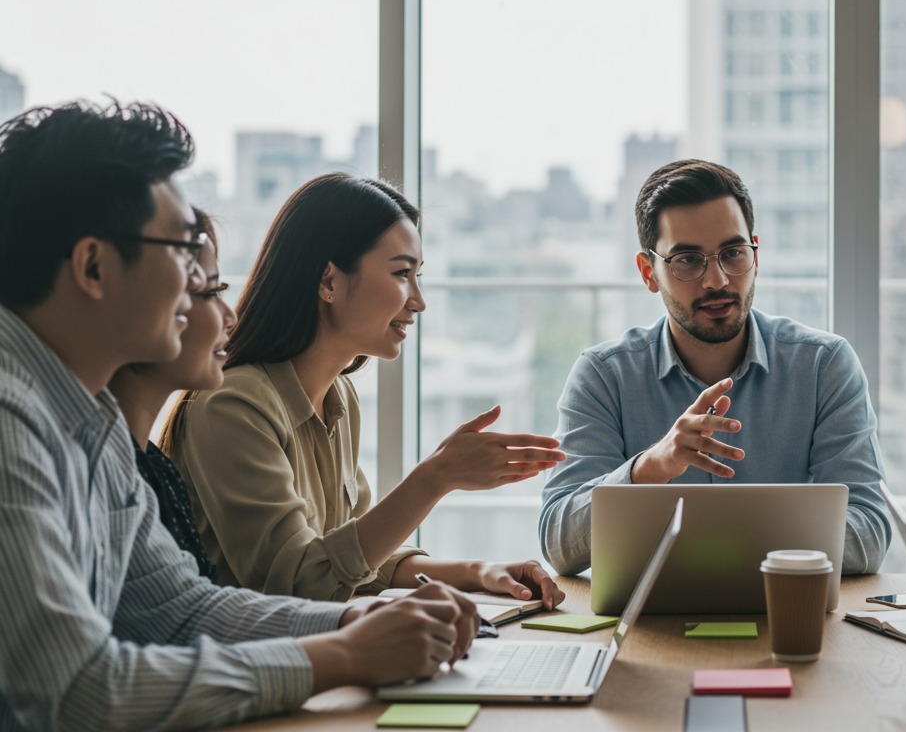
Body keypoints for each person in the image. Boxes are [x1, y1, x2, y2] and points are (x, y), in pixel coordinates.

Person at [0, 100, 482, 731]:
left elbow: (178, 609)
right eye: (181, 253)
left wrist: (348, 621)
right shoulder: (13, 425)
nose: (201, 280)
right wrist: (340, 654)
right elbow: (75, 694)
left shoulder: (93, 423)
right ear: (93, 266)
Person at [170, 172, 568, 606]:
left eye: (418, 276)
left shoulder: (338, 398)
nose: (418, 300)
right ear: (328, 282)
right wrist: (435, 477)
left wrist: (480, 573)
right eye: (402, 273)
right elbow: (300, 583)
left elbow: (359, 562)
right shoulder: (233, 406)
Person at [539, 159, 890, 576]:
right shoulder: (603, 376)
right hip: (649, 632)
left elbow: (869, 533)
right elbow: (558, 543)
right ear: (649, 272)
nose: (717, 280)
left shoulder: (823, 366)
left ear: (755, 254)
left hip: (788, 618)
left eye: (732, 253)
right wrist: (649, 470)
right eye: (688, 259)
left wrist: (723, 540)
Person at [108, 207, 230, 583]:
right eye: (208, 292)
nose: (230, 316)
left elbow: (180, 606)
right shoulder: (112, 462)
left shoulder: (150, 467)